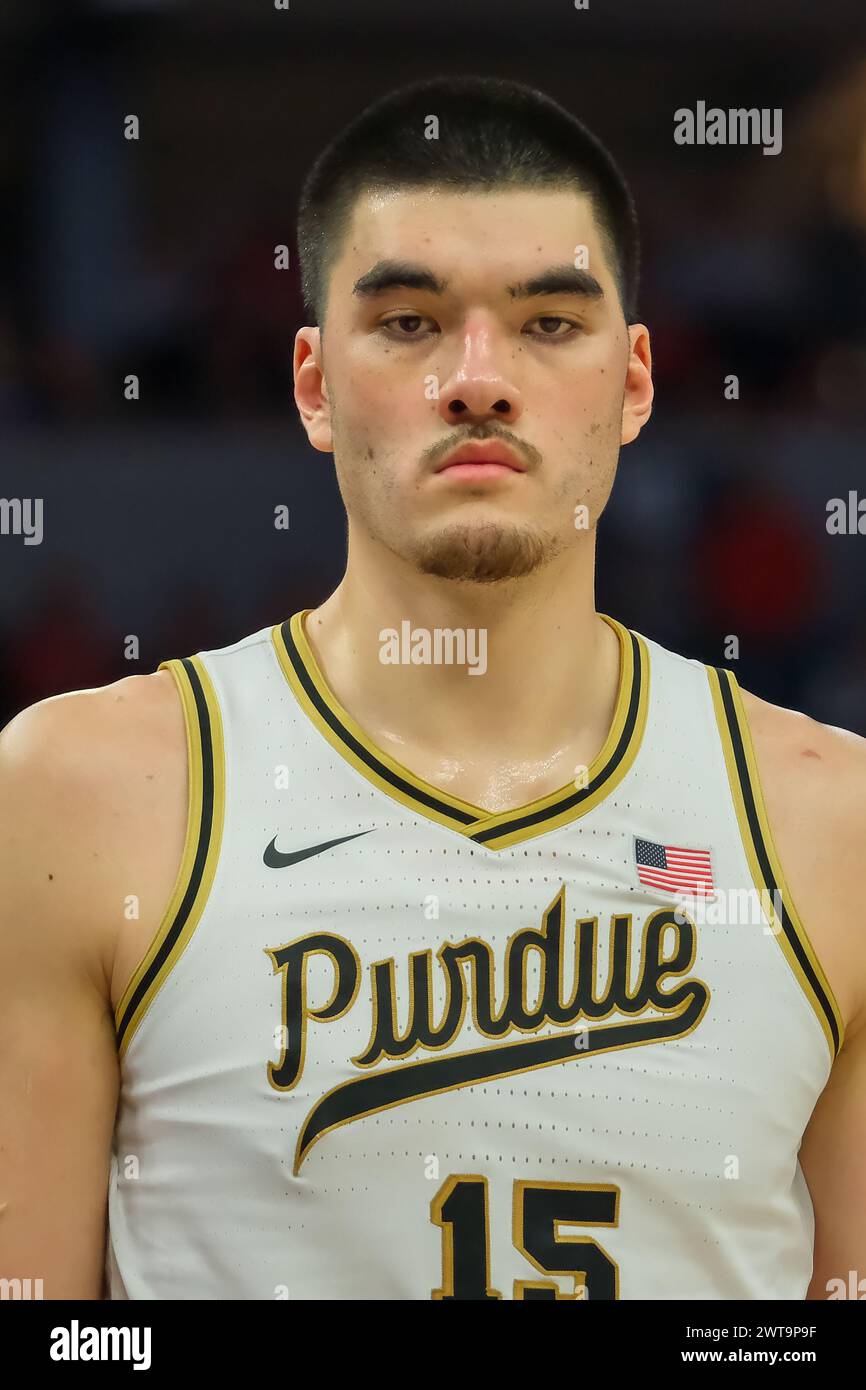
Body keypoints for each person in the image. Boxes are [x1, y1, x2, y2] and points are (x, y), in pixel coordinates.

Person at [1, 75, 863, 1301]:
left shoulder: (833, 825)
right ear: (311, 382)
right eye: (407, 321)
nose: (476, 379)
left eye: (547, 324)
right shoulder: (79, 798)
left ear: (632, 385)